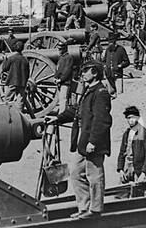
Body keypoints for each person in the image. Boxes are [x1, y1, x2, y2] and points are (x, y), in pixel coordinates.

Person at [46, 62, 111, 220]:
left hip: (93, 142)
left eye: (86, 71)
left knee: (94, 175)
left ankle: (95, 210)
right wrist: (58, 118)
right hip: (83, 141)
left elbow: (102, 121)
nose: (83, 74)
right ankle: (84, 207)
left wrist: (93, 142)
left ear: (94, 73)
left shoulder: (101, 92)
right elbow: (77, 110)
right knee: (75, 172)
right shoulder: (89, 89)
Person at [117, 106, 146, 183]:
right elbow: (122, 152)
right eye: (128, 118)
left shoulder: (144, 133)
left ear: (138, 118)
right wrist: (120, 169)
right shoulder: (126, 133)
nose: (130, 120)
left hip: (139, 170)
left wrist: (144, 173)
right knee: (122, 193)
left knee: (138, 193)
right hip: (127, 168)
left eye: (132, 117)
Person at [54, 42, 80, 111]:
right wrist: (55, 77)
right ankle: (63, 112)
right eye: (58, 49)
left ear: (64, 49)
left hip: (65, 82)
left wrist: (61, 79)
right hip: (60, 81)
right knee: (61, 98)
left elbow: (67, 70)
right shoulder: (62, 57)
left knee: (63, 99)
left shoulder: (68, 57)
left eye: (60, 49)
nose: (59, 51)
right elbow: (58, 69)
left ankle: (62, 114)